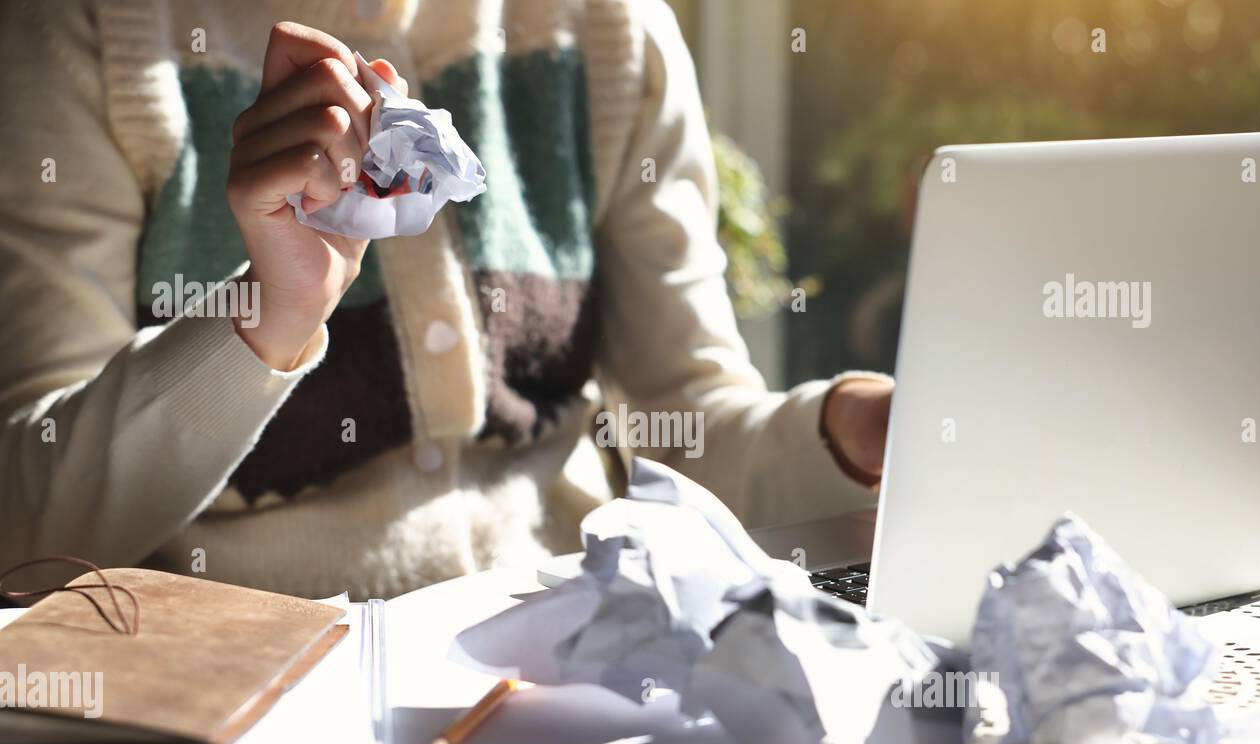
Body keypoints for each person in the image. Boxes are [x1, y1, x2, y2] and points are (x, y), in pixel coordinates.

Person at [0, 1, 893, 600]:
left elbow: (684, 425)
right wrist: (267, 319)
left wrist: (847, 434)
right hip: (249, 720)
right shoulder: (87, 34)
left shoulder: (613, 29)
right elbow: (32, 525)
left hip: (573, 666)